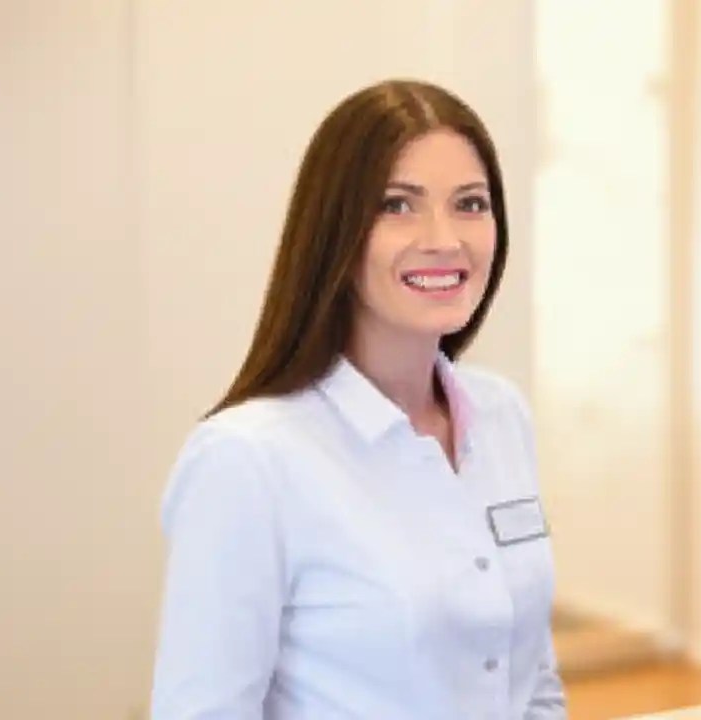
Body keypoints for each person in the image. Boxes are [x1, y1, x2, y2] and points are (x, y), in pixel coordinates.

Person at [150, 79, 566, 719]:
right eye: (398, 205)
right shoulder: (247, 460)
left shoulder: (502, 414)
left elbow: (532, 681)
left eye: (470, 204)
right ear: (335, 234)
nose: (444, 238)